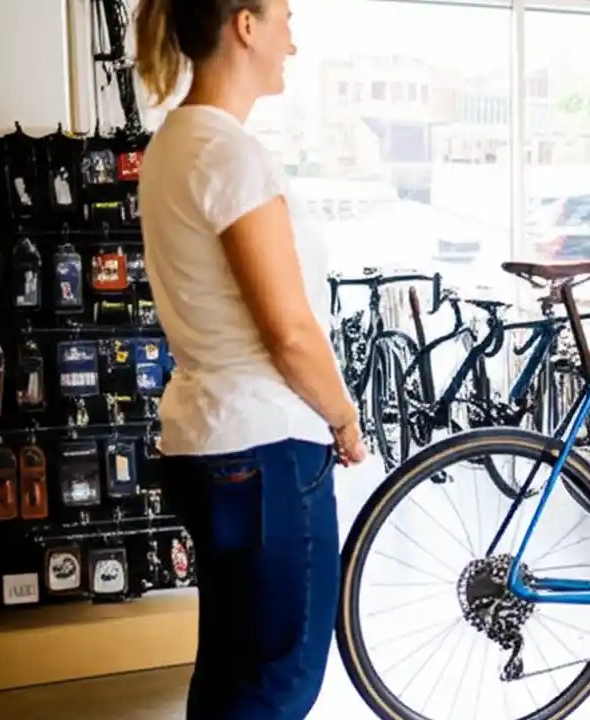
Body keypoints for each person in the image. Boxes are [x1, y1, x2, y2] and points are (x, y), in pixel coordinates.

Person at [134, 1, 367, 717]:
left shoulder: (176, 141)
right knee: (277, 681)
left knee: (232, 674)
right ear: (244, 25)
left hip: (213, 444)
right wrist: (344, 418)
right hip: (267, 450)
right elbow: (289, 330)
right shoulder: (227, 152)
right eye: (284, 19)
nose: (292, 41)